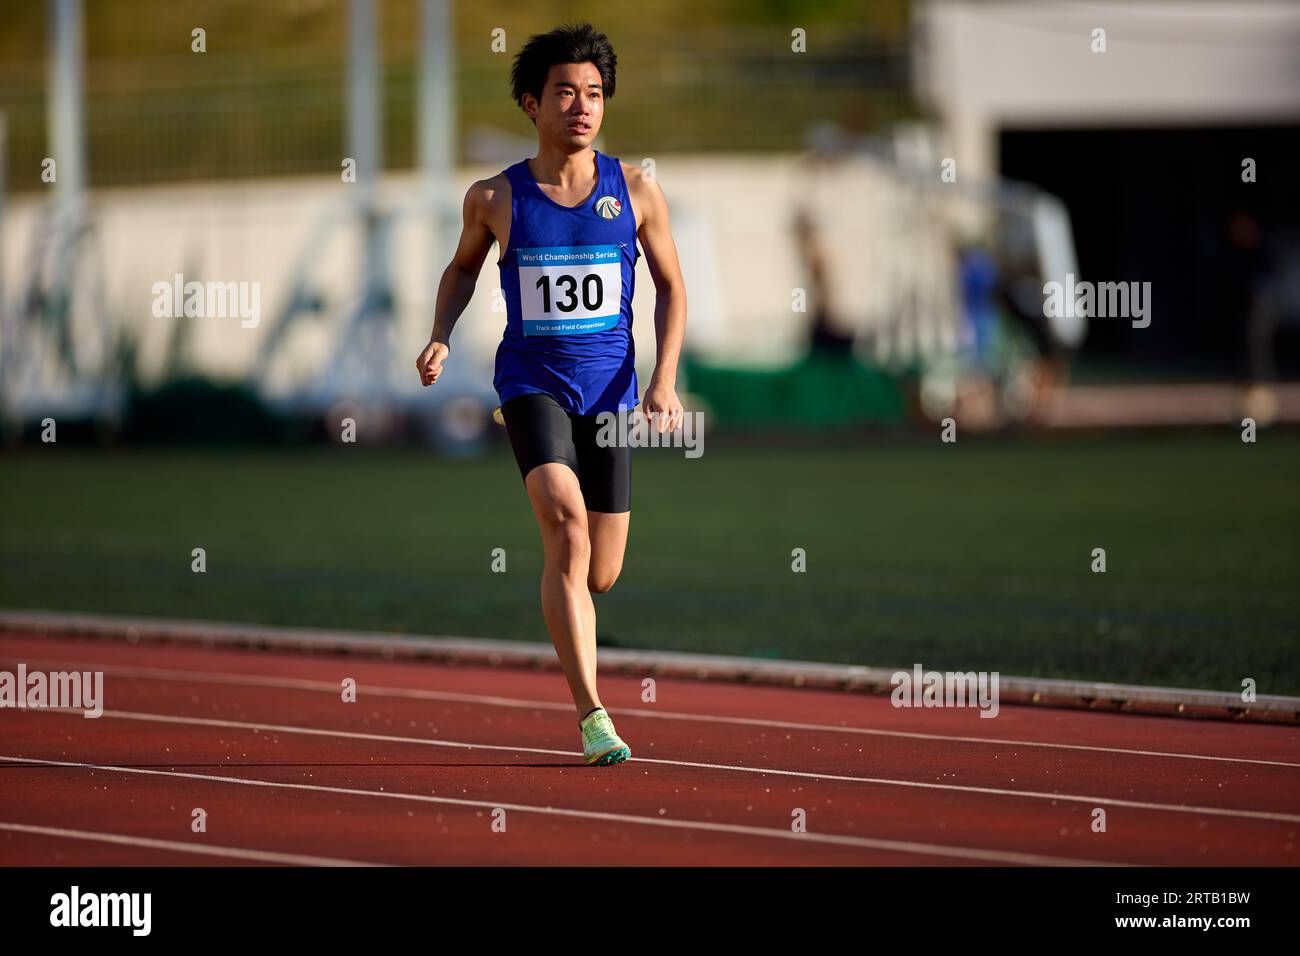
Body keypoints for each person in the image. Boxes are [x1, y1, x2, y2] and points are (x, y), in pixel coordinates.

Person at [415, 23, 687, 766]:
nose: (582, 106)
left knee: (601, 570)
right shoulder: (496, 197)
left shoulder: (635, 190)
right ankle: (593, 714)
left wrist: (662, 379)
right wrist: (441, 332)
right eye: (565, 92)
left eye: (594, 93)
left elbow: (670, 285)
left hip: (610, 393)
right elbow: (464, 269)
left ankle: (578, 623)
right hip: (531, 383)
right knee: (563, 526)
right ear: (532, 104)